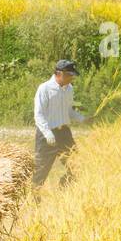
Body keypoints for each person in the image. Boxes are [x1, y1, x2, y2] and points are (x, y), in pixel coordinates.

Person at [32, 59, 91, 187]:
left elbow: (68, 111)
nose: (72, 78)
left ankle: (63, 188)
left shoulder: (69, 89)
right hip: (46, 136)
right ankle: (34, 198)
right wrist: (48, 134)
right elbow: (39, 114)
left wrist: (82, 118)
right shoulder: (44, 89)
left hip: (64, 133)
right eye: (70, 75)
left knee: (77, 165)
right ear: (60, 73)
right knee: (40, 171)